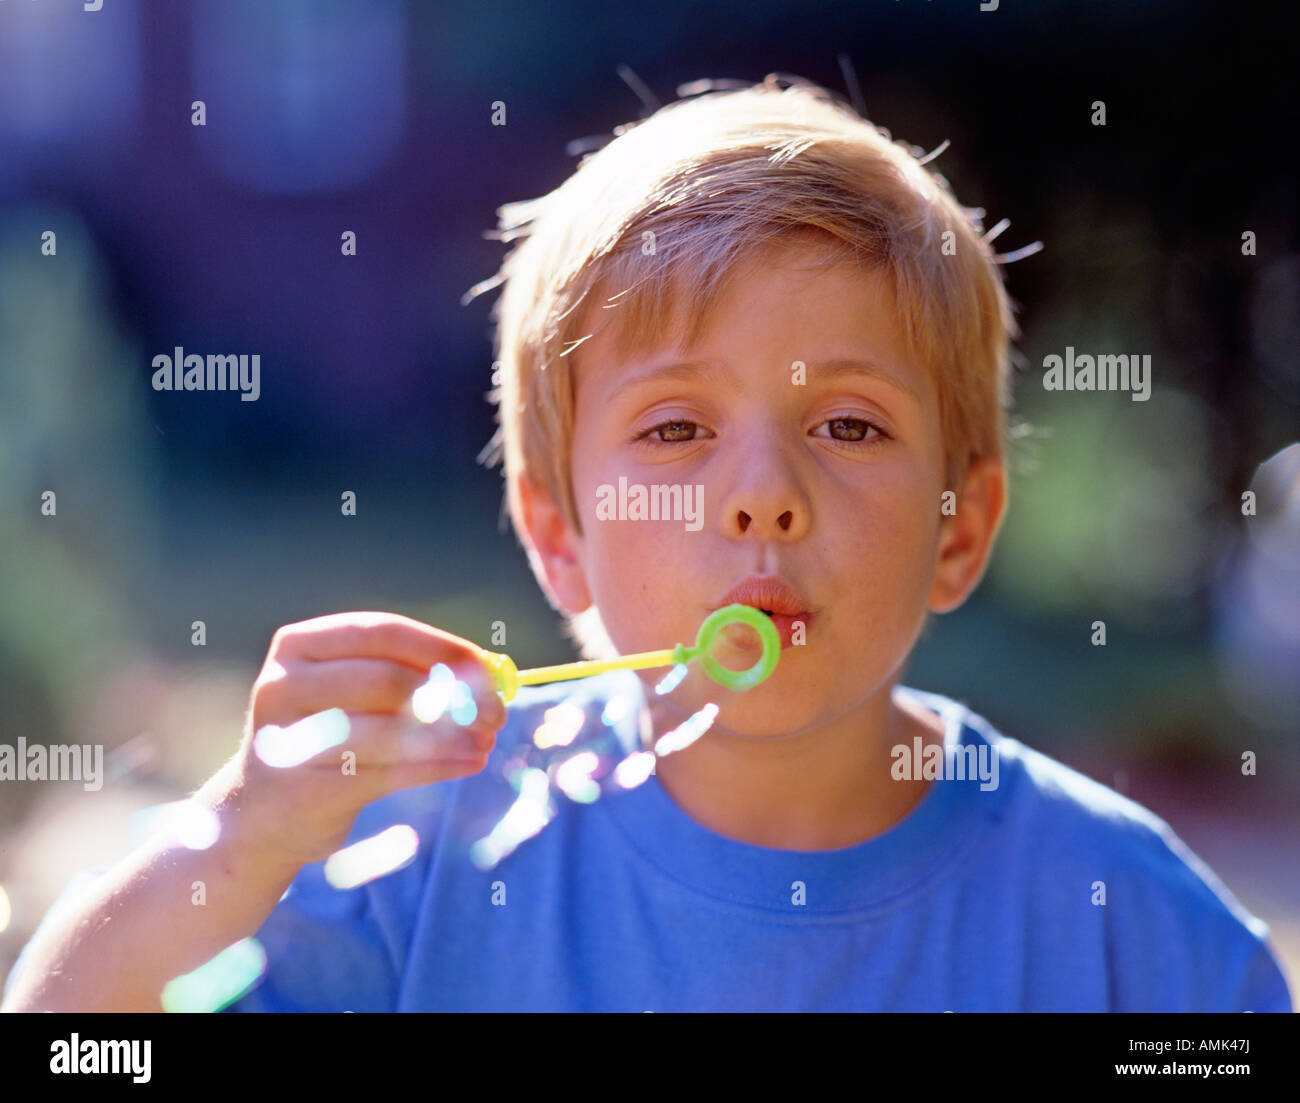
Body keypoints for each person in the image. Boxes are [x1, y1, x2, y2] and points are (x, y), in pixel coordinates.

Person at [4, 76, 1290, 1012]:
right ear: (559, 542)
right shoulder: (421, 872)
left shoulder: (1124, 922)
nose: (761, 496)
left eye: (846, 422)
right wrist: (226, 841)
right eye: (676, 429)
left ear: (961, 535)